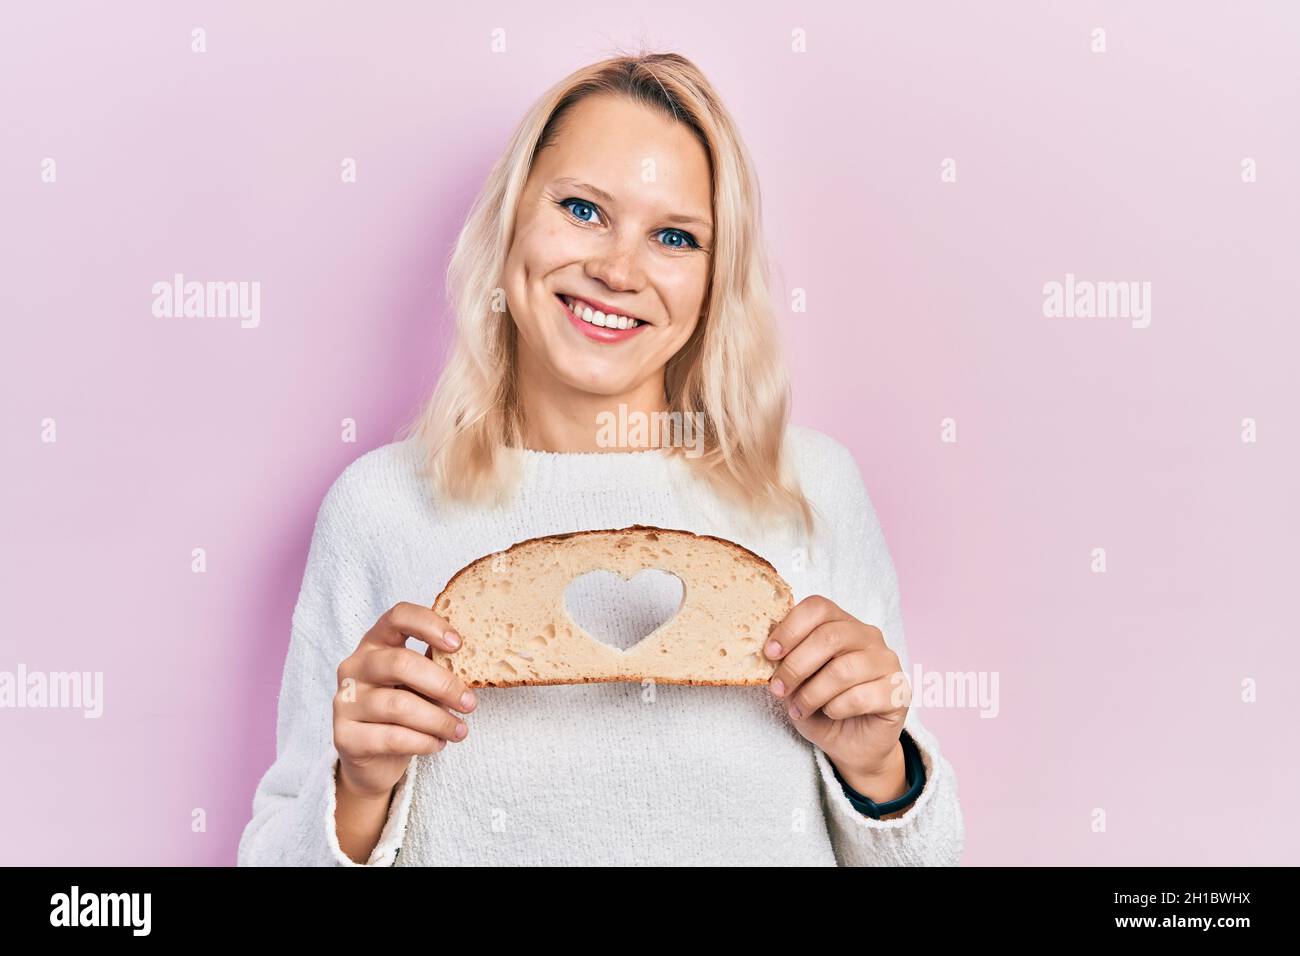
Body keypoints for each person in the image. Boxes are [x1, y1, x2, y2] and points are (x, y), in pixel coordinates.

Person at [237, 51, 965, 866]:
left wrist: (877, 767)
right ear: (512, 220)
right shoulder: (382, 507)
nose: (618, 271)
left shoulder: (813, 492)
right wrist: (360, 788)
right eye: (582, 209)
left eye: (675, 236)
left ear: (714, 280)